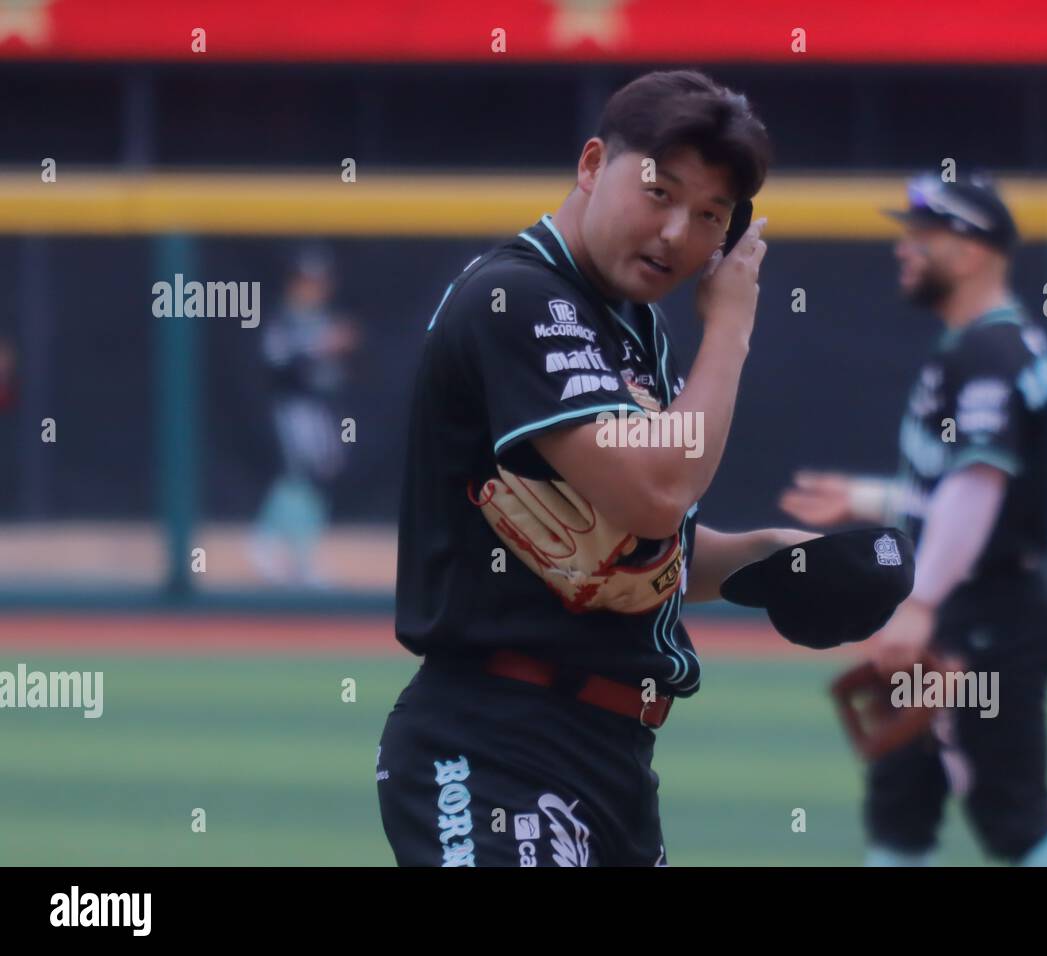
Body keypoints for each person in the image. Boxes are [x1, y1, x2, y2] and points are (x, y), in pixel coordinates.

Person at [377, 70, 824, 867]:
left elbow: (635, 553)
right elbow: (656, 494)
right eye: (660, 191)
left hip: (610, 761)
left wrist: (770, 560)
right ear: (591, 164)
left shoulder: (630, 329)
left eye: (709, 216)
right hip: (493, 747)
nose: (676, 233)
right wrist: (730, 326)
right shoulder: (517, 298)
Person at [780, 173, 1047, 867]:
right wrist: (866, 501)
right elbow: (963, 489)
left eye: (926, 236)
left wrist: (920, 602)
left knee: (1011, 814)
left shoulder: (990, 352)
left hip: (986, 609)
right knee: (902, 799)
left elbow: (978, 488)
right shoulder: (986, 346)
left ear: (974, 251)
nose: (907, 249)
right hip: (973, 599)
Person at [248, 249, 359, 586]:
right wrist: (319, 347)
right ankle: (266, 542)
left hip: (322, 409)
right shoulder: (284, 320)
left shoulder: (324, 318)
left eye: (318, 282)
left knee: (317, 478)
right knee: (301, 478)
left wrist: (337, 347)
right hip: (295, 408)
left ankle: (299, 556)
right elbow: (276, 364)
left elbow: (341, 370)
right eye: (306, 282)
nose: (313, 289)